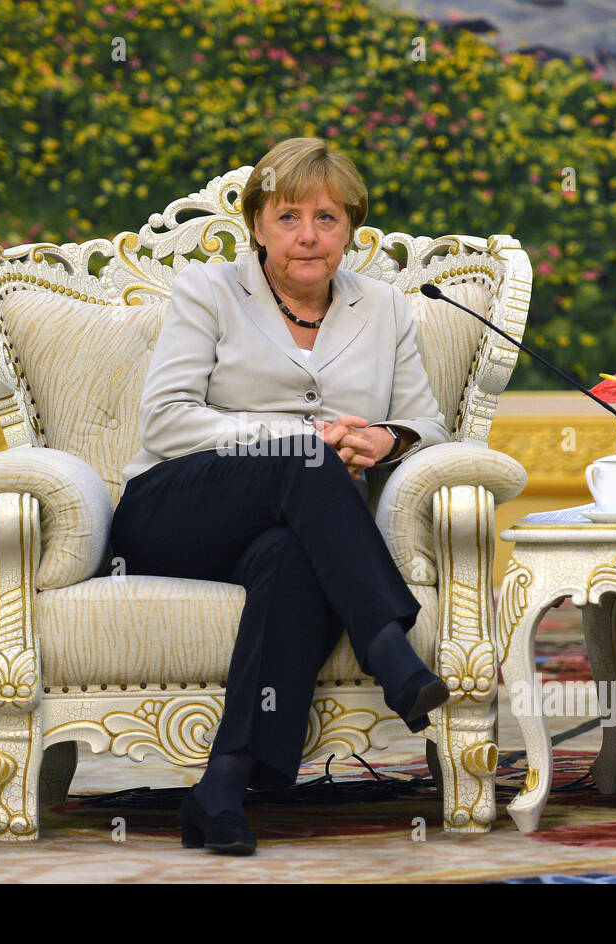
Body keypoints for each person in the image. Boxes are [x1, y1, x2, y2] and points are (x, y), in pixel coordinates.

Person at [111, 136, 451, 855]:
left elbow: (427, 422)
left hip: (292, 522)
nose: (308, 235)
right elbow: (166, 420)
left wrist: (383, 441)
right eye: (289, 215)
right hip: (175, 509)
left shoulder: (385, 308)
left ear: (350, 230)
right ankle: (389, 646)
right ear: (258, 224)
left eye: (327, 218)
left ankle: (222, 789)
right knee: (301, 453)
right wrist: (297, 436)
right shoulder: (210, 291)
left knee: (290, 556)